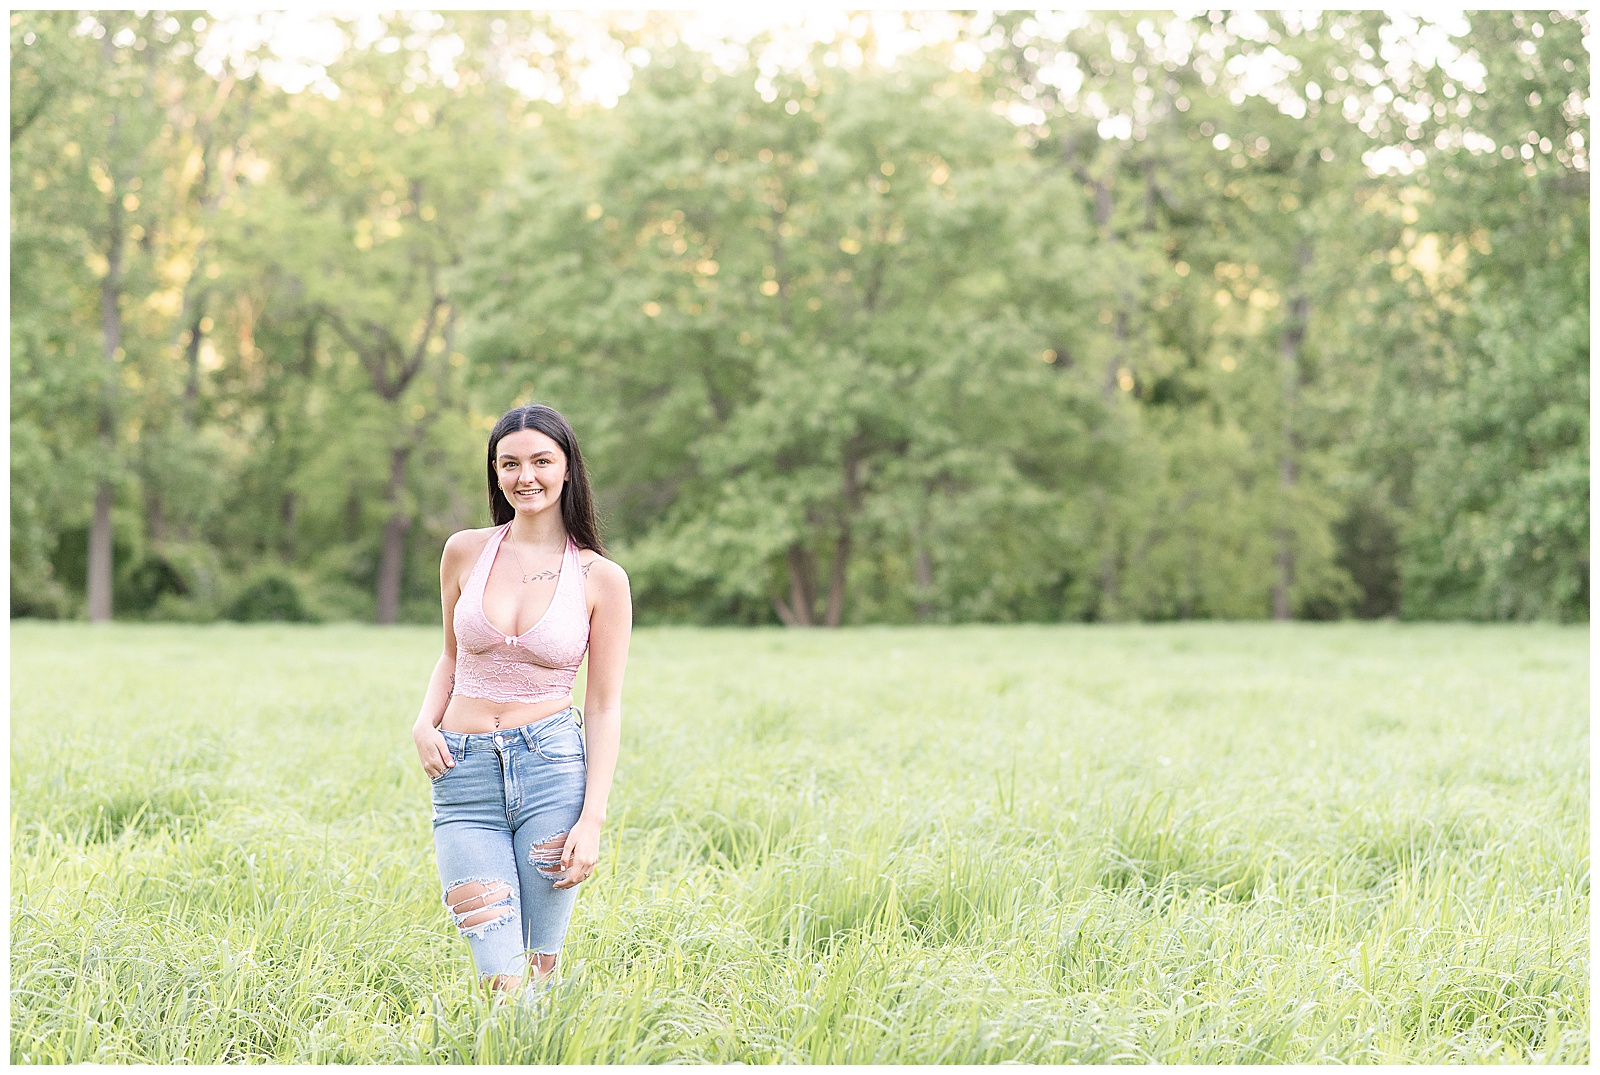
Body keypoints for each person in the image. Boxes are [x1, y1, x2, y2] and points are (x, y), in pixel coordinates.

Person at [411, 403, 631, 995]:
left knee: (539, 966)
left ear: (567, 470)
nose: (524, 477)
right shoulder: (464, 551)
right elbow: (453, 657)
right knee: (496, 971)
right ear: (495, 473)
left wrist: (593, 818)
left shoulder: (599, 578)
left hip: (551, 773)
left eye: (541, 461)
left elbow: (604, 704)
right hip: (464, 778)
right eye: (509, 464)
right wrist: (423, 722)